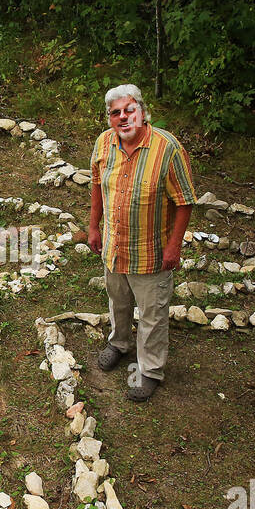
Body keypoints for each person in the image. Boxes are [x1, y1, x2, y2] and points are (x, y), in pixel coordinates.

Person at [88, 84, 196, 401]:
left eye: (128, 110)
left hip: (151, 251)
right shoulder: (103, 143)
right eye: (115, 113)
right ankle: (119, 343)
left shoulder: (168, 149)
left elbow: (185, 201)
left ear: (142, 111)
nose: (123, 117)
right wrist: (93, 226)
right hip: (114, 244)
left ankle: (149, 369)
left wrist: (174, 246)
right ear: (110, 118)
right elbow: (97, 185)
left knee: (152, 313)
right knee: (118, 300)